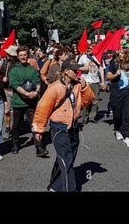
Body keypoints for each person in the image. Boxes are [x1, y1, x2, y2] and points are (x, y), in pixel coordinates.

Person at [33, 62, 95, 192]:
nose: (78, 73)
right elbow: (43, 108)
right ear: (66, 71)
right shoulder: (55, 87)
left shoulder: (77, 86)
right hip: (58, 128)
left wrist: (84, 87)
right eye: (75, 71)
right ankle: (70, 189)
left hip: (73, 127)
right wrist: (39, 129)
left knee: (67, 158)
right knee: (66, 159)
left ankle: (55, 186)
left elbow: (87, 101)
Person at [9, 45, 46, 156]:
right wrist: (26, 93)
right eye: (21, 55)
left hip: (31, 102)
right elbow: (14, 84)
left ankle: (39, 147)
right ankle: (15, 144)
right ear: (18, 56)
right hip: (18, 102)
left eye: (25, 55)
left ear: (28, 55)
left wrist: (35, 92)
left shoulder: (32, 69)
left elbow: (38, 82)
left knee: (34, 124)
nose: (23, 57)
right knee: (16, 124)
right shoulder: (14, 69)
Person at [107, 47, 129, 147]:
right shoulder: (115, 63)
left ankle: (126, 136)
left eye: (121, 53)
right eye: (119, 52)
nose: (119, 54)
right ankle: (117, 129)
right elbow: (108, 76)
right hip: (116, 93)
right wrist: (115, 74)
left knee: (127, 114)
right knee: (117, 114)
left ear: (127, 54)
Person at [78, 44, 106, 124]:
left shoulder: (99, 57)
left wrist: (103, 82)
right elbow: (78, 67)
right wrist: (85, 67)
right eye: (88, 48)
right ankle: (85, 117)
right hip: (86, 81)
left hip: (95, 82)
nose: (89, 49)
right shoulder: (83, 57)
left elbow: (101, 70)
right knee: (86, 100)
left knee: (95, 100)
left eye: (91, 48)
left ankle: (92, 117)